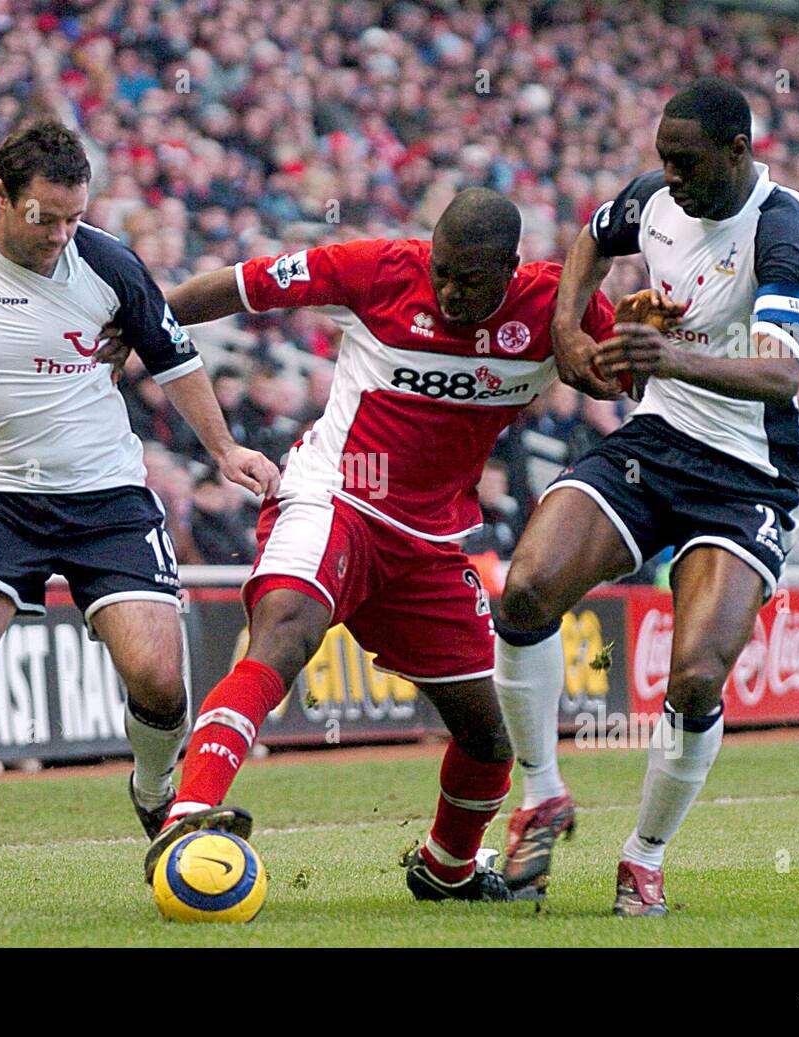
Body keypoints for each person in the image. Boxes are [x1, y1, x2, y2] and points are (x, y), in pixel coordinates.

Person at [107, 186, 616, 903]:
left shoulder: (557, 307)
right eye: (440, 270)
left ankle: (447, 867)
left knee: (492, 735)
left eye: (468, 280)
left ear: (510, 268)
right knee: (281, 637)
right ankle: (188, 817)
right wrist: (144, 323)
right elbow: (242, 285)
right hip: (333, 498)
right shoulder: (379, 268)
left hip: (432, 544)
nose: (447, 289)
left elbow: (620, 364)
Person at [0, 120, 278, 917]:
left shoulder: (111, 264)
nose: (59, 235)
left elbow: (177, 361)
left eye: (73, 217)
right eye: (43, 217)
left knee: (159, 679)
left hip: (107, 501)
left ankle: (155, 794)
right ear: (2, 198)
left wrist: (223, 450)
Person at [494, 78, 799, 915]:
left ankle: (643, 855)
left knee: (698, 674)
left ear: (738, 153)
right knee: (526, 586)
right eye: (662, 160)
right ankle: (539, 793)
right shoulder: (655, 198)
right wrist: (569, 326)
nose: (668, 177)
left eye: (686, 162)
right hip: (656, 444)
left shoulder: (781, 227)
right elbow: (589, 238)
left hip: (747, 473)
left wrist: (668, 358)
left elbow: (783, 371)